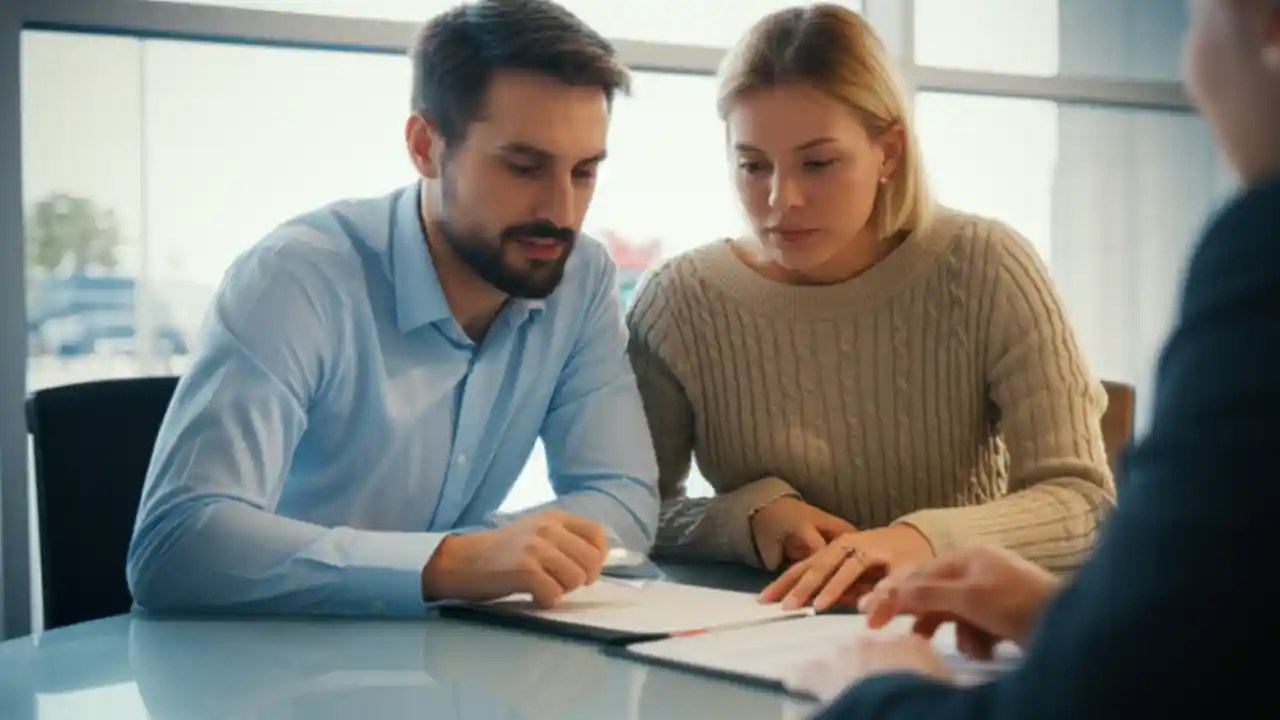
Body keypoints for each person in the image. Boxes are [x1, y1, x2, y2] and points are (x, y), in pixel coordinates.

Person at [792, 0, 1280, 716]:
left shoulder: (1262, 263)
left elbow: (1100, 701)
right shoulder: (688, 292)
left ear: (1266, 27)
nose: (782, 198)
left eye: (1196, 20)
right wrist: (1075, 619)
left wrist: (875, 694)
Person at [126, 0, 660, 617]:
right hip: (253, 672)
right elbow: (176, 545)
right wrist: (454, 561)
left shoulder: (579, 276)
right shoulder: (297, 278)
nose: (562, 212)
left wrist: (492, 556)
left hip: (435, 661)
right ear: (425, 146)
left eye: (585, 172)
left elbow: (620, 497)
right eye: (524, 166)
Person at [625, 3, 1113, 609]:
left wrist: (920, 540)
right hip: (755, 636)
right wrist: (747, 519)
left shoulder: (988, 266)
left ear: (888, 152)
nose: (783, 199)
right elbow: (629, 510)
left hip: (953, 633)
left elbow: (1082, 501)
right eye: (753, 165)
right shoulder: (678, 299)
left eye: (819, 162)